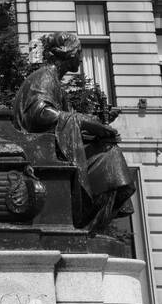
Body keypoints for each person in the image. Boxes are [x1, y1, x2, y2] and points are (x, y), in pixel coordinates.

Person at [13, 31, 134, 236]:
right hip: (43, 154)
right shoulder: (44, 77)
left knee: (108, 149)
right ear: (69, 55)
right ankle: (87, 226)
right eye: (79, 53)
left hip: (54, 150)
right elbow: (39, 114)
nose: (80, 58)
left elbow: (63, 121)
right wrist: (84, 121)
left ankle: (91, 227)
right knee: (110, 156)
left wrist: (98, 128)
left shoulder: (53, 80)